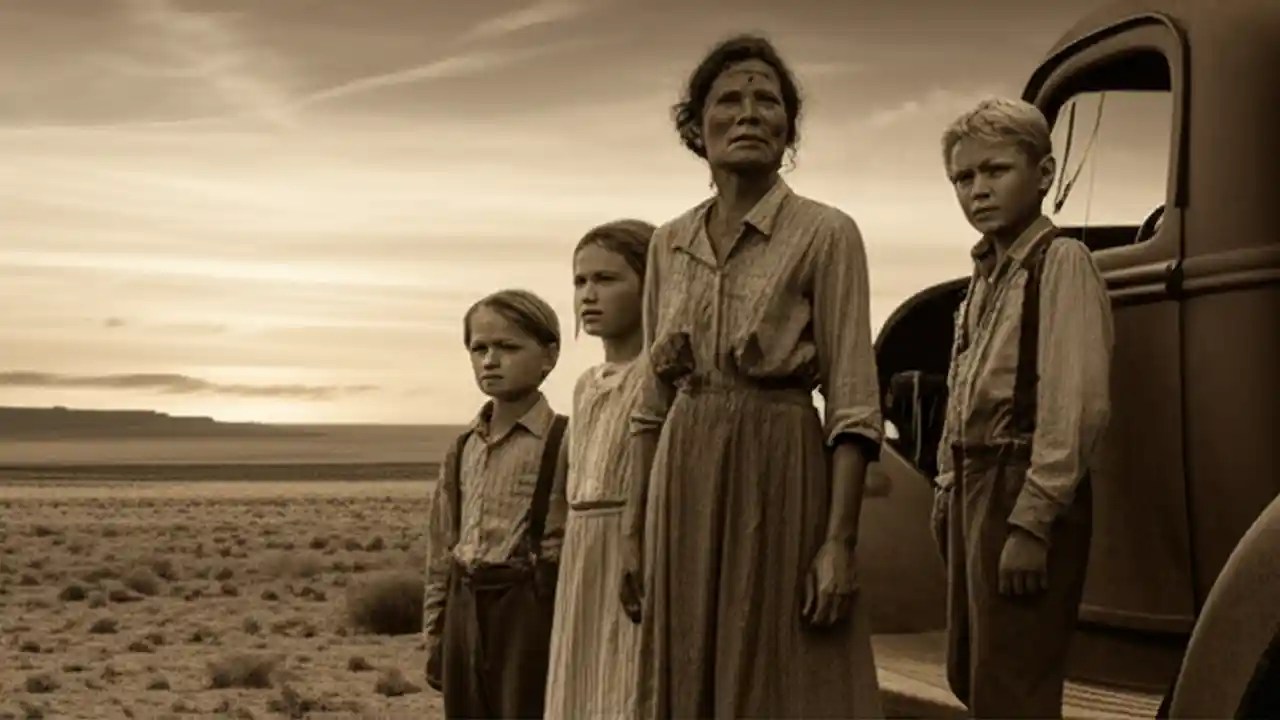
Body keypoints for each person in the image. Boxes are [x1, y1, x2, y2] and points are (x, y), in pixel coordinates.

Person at [620, 33, 885, 719]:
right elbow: (650, 405)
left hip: (782, 473)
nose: (748, 113)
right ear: (695, 127)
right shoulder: (667, 242)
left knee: (783, 669)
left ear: (788, 129)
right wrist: (634, 534)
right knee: (687, 671)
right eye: (728, 99)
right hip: (684, 473)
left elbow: (854, 404)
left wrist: (838, 543)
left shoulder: (826, 234)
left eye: (767, 101)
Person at [930, 97, 1114, 718]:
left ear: (1042, 174)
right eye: (964, 177)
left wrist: (1033, 522)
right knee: (973, 671)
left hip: (1022, 485)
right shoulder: (986, 276)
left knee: (1016, 679)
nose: (977, 190)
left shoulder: (1059, 264)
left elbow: (1075, 403)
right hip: (975, 485)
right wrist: (948, 487)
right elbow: (964, 392)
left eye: (996, 171)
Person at [422, 289, 570, 720]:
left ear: (549, 355)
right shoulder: (462, 447)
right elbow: (441, 547)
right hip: (465, 604)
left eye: (508, 347)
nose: (490, 360)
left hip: (530, 609)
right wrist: (435, 632)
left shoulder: (566, 440)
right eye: (479, 348)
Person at [543, 219, 656, 720]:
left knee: (627, 684)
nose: (589, 294)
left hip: (634, 550)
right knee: (581, 683)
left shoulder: (659, 376)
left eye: (607, 280)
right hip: (582, 553)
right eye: (580, 281)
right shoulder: (587, 384)